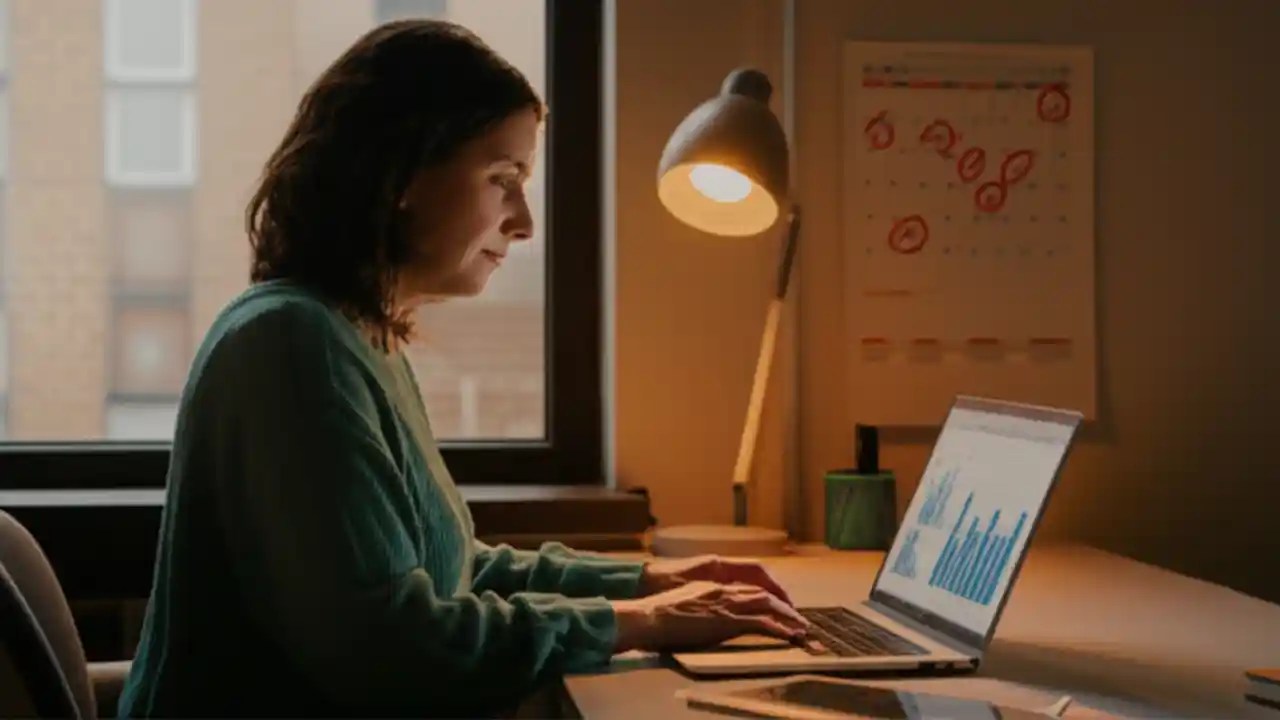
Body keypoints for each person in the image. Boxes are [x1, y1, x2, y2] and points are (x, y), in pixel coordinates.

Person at [116, 19, 809, 719]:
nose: (525, 222)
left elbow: (455, 570)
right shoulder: (294, 348)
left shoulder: (355, 339)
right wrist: (644, 622)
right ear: (402, 176)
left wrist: (649, 581)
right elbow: (391, 644)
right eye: (502, 179)